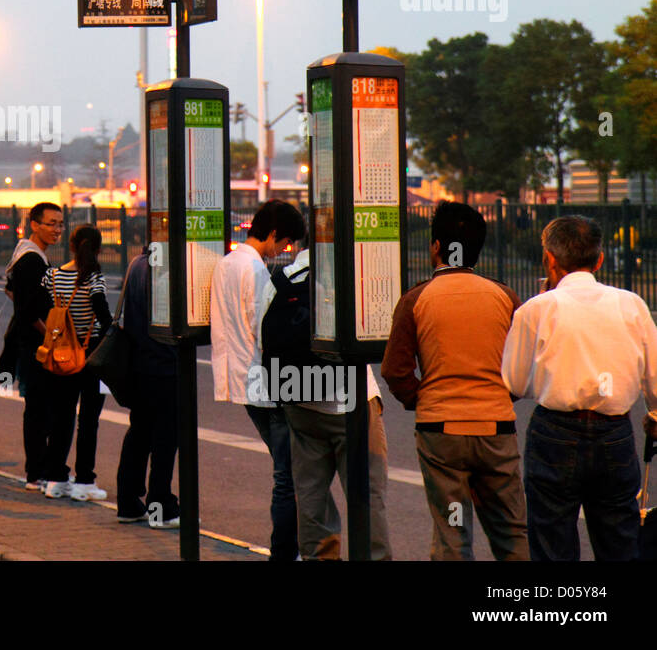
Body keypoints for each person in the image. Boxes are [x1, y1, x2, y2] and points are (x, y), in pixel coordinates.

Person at [501, 215, 657, 561]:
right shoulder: (632, 304)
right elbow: (655, 381)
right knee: (619, 538)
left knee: (552, 540)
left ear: (549, 258)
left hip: (554, 432)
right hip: (615, 431)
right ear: (599, 260)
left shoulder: (536, 309)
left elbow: (514, 380)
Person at [381, 201, 522, 561]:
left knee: (453, 533)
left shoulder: (415, 299)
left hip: (441, 432)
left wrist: (422, 399)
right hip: (496, 430)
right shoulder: (505, 297)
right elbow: (524, 368)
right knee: (511, 532)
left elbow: (395, 370)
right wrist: (500, 395)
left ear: (436, 247)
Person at [274, 236, 392, 560]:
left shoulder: (284, 277)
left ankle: (319, 557)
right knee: (366, 494)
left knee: (310, 493)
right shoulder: (351, 271)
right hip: (348, 398)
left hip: (298, 396)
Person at [208, 199, 306, 561]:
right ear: (274, 233)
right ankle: (285, 551)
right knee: (289, 475)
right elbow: (265, 331)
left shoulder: (225, 264)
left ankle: (288, 549)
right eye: (286, 243)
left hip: (238, 380)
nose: (287, 250)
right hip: (265, 382)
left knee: (285, 469)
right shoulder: (257, 271)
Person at [38, 225, 112, 501]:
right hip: (91, 354)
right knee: (88, 420)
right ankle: (84, 482)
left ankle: (55, 479)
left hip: (62, 352)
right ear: (98, 248)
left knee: (61, 416)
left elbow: (44, 307)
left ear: (71, 246)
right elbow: (102, 312)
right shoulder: (94, 278)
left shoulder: (53, 276)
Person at [115, 247, 180, 527]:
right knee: (165, 439)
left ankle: (128, 503)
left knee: (139, 433)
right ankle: (160, 506)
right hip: (164, 364)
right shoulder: (166, 267)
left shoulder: (137, 263)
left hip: (138, 363)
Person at [4, 202, 63, 489]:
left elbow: (12, 292)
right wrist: (50, 336)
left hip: (30, 344)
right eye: (51, 223)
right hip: (35, 347)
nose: (57, 229)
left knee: (38, 408)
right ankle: (36, 473)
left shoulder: (25, 254)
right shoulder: (32, 260)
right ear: (35, 225)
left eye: (60, 224)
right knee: (40, 410)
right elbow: (28, 311)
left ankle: (37, 471)